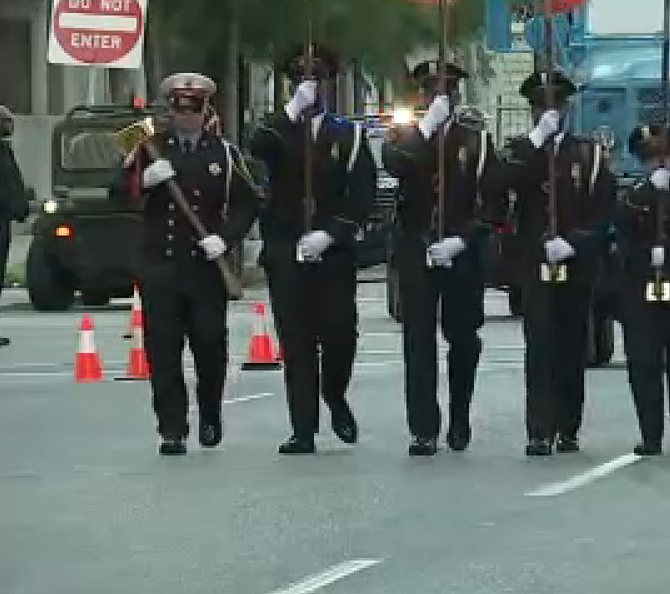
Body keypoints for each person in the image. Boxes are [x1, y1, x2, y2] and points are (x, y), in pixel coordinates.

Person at [117, 75, 257, 454]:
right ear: (171, 110)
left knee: (210, 346)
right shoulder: (149, 148)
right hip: (159, 265)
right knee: (163, 351)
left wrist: (224, 238)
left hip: (204, 267)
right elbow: (118, 191)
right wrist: (144, 180)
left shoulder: (225, 154)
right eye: (179, 110)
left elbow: (248, 203)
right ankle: (172, 428)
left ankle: (210, 414)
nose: (186, 117)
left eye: (193, 110)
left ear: (205, 110)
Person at [249, 46, 377, 455]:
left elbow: (363, 194)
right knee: (297, 340)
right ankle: (302, 429)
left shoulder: (349, 136)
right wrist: (290, 112)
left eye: (317, 80)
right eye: (302, 81)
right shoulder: (276, 130)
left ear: (329, 84)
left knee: (340, 334)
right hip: (287, 249)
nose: (311, 87)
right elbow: (258, 148)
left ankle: (335, 394)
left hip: (333, 254)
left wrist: (332, 234)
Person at [490, 70, 615, 456]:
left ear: (567, 107)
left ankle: (568, 427)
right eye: (541, 106)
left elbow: (603, 212)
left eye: (555, 105)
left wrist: (575, 243)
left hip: (575, 264)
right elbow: (497, 183)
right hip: (534, 263)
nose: (549, 112)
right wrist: (535, 140)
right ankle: (539, 430)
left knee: (573, 345)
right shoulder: (521, 149)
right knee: (540, 344)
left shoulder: (588, 154)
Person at [381, 60, 500, 456]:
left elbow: (494, 205)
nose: (439, 97)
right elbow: (396, 165)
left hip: (460, 252)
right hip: (416, 247)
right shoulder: (404, 137)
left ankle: (460, 416)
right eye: (431, 91)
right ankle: (424, 427)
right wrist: (425, 127)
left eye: (446, 91)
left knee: (464, 337)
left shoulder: (476, 142)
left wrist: (462, 240)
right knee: (418, 339)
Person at [614, 124, 670, 456]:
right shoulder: (631, 195)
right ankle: (650, 433)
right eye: (652, 159)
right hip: (641, 288)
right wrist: (648, 193)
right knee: (643, 362)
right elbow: (621, 228)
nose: (660, 165)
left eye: (666, 157)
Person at [0, 105, 26, 349]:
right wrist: (15, 205)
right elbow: (3, 187)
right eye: (5, 121)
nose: (9, 126)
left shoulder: (3, 149)